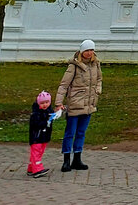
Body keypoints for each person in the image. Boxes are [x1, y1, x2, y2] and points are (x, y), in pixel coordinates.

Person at [55, 39, 102, 172]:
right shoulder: (74, 66)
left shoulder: (96, 64)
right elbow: (63, 85)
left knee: (81, 133)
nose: (89, 53)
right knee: (70, 133)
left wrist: (98, 90)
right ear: (82, 52)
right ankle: (66, 160)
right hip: (75, 103)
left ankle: (77, 158)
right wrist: (58, 103)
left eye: (91, 50)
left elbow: (99, 79)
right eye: (87, 50)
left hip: (89, 104)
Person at [26, 90, 56, 178]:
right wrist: (45, 122)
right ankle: (37, 169)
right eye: (42, 103)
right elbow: (35, 124)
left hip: (44, 136)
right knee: (36, 152)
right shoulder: (36, 114)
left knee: (39, 152)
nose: (45, 105)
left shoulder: (48, 111)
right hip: (36, 136)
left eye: (47, 102)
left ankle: (31, 168)